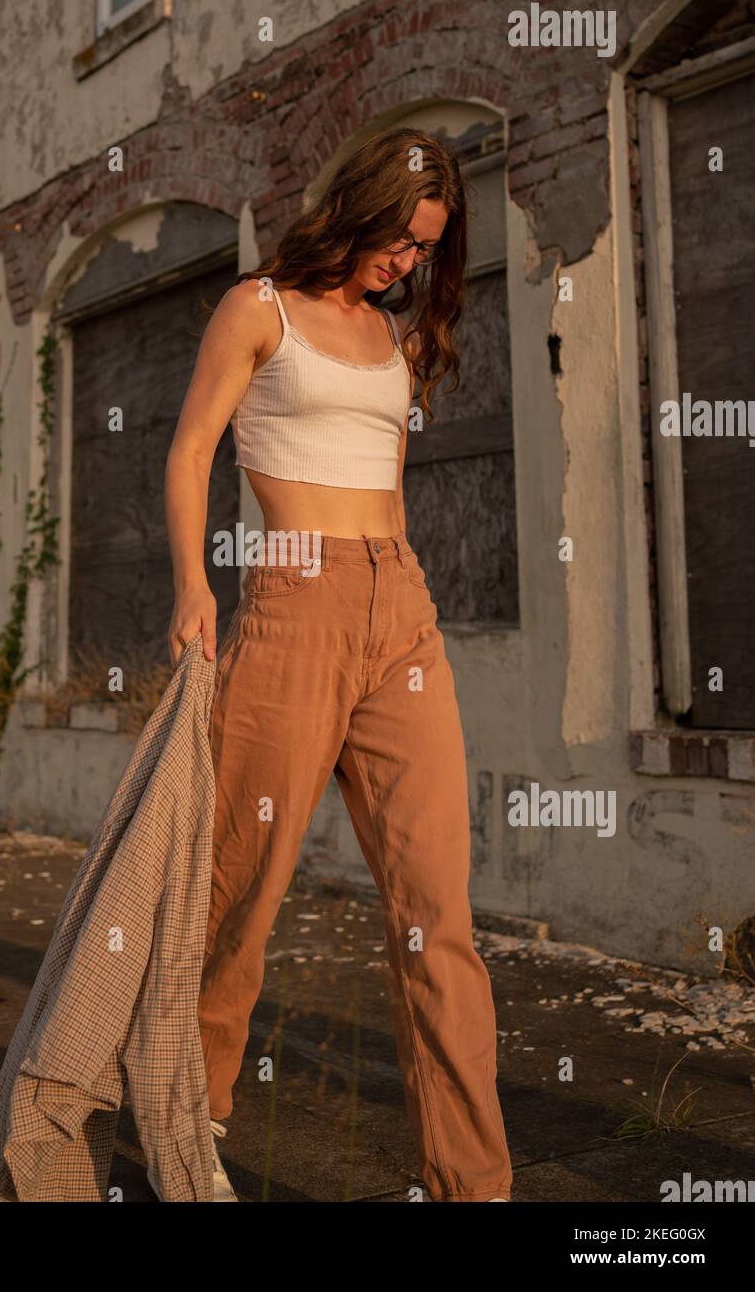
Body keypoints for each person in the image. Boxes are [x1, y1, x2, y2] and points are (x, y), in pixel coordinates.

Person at [163, 126, 513, 1203]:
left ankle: (473, 1182)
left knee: (437, 911)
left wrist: (401, 597)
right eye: (401, 238)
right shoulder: (257, 308)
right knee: (238, 895)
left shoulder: (396, 340)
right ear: (357, 208)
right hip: (294, 601)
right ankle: (191, 1134)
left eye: (427, 249)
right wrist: (193, 588)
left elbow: (389, 485)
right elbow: (188, 450)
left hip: (398, 606)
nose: (408, 263)